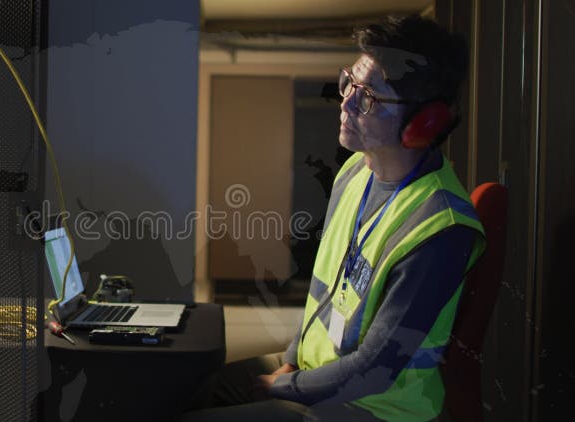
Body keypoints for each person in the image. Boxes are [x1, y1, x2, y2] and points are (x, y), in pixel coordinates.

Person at [182, 14, 486, 422]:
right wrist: (292, 361)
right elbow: (324, 295)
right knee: (184, 390)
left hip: (374, 407)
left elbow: (376, 370)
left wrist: (285, 386)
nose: (346, 102)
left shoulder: (440, 228)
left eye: (369, 97)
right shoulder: (356, 172)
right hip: (317, 374)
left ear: (422, 123)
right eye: (349, 84)